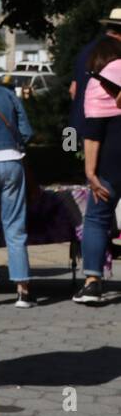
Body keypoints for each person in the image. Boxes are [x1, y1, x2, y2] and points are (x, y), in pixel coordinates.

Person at [0, 70, 36, 307]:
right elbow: (26, 131)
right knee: (15, 227)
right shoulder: (5, 93)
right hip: (12, 161)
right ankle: (23, 291)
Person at [74, 35, 121, 304]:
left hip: (109, 164)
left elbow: (92, 134)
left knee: (96, 219)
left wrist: (90, 173)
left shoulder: (97, 84)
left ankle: (93, 282)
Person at [68, 8, 121, 138]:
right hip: (106, 129)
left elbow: (72, 90)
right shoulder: (116, 53)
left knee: (76, 156)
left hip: (77, 126)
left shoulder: (86, 50)